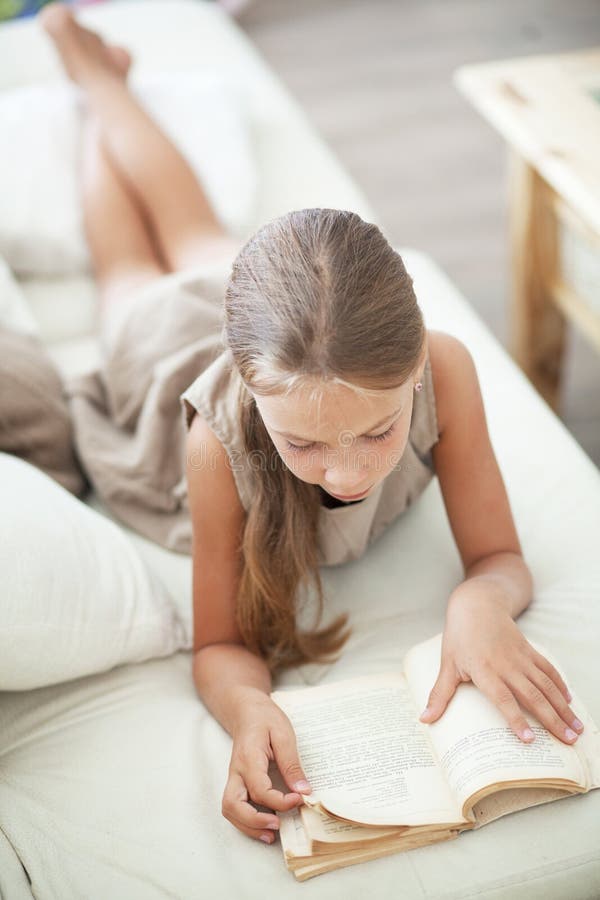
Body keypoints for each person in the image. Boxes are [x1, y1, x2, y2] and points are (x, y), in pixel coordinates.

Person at [4, 2, 584, 849]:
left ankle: (101, 78)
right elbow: (219, 646)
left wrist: (480, 601)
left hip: (282, 329)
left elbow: (498, 557)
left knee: (193, 232)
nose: (347, 473)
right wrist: (248, 708)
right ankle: (92, 82)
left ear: (415, 367)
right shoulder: (216, 444)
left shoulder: (445, 367)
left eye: (378, 432)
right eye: (305, 446)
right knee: (126, 266)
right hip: (164, 347)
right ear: (248, 389)